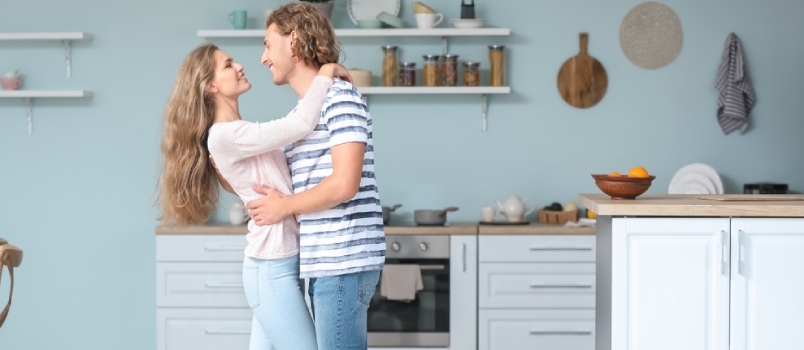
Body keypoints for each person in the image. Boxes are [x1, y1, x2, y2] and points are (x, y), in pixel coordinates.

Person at [157, 42, 353, 350]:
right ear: (210, 85)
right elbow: (300, 124)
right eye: (228, 65)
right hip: (271, 269)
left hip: (276, 266)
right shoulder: (224, 134)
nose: (240, 67)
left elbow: (260, 181)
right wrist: (326, 72)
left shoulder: (236, 131)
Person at [245, 3, 386, 349]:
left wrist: (284, 207)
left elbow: (344, 183)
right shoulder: (304, 113)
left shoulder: (340, 98)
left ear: (292, 40)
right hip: (327, 262)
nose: (263, 59)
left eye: (267, 44)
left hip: (344, 260)